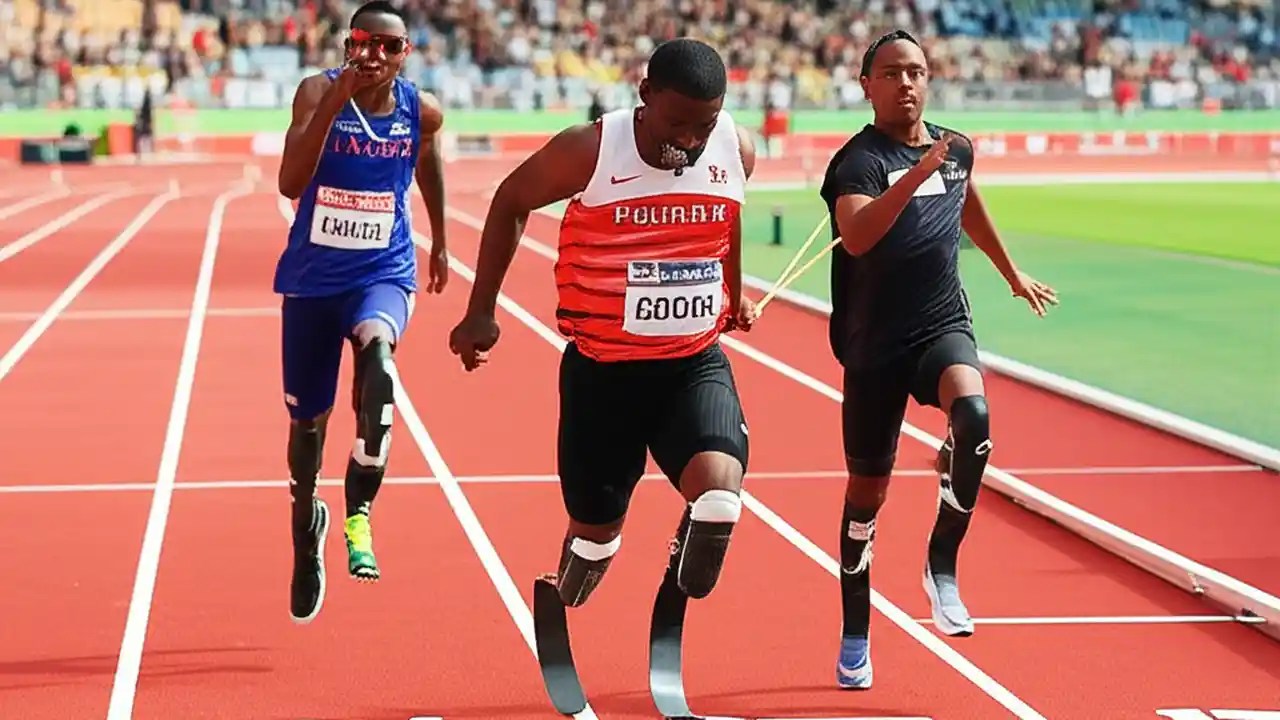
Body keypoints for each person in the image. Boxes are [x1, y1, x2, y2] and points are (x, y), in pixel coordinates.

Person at [449, 36, 757, 620]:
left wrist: (733, 295)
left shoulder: (734, 148)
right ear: (645, 96)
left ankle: (674, 599)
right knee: (595, 541)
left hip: (692, 362)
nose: (691, 141)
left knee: (719, 497)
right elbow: (512, 198)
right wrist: (481, 309)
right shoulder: (591, 149)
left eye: (705, 125)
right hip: (603, 372)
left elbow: (728, 218)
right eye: (678, 124)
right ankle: (565, 588)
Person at [818, 30, 1058, 689]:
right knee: (865, 502)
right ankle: (855, 631)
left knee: (974, 417)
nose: (906, 83)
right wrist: (915, 175)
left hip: (940, 323)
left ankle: (941, 566)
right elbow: (860, 236)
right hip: (873, 347)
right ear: (866, 84)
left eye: (917, 71)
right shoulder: (857, 164)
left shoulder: (956, 150)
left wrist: (1010, 271)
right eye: (891, 72)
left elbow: (966, 198)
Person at [274, 0, 449, 625]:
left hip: (382, 271)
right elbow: (291, 183)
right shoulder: (316, 91)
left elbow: (427, 164)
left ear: (405, 54)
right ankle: (305, 524)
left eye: (387, 45)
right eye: (362, 43)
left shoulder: (419, 111)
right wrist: (336, 100)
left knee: (379, 356)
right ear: (347, 45)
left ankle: (358, 511)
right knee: (307, 428)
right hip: (313, 282)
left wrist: (443, 242)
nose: (373, 54)